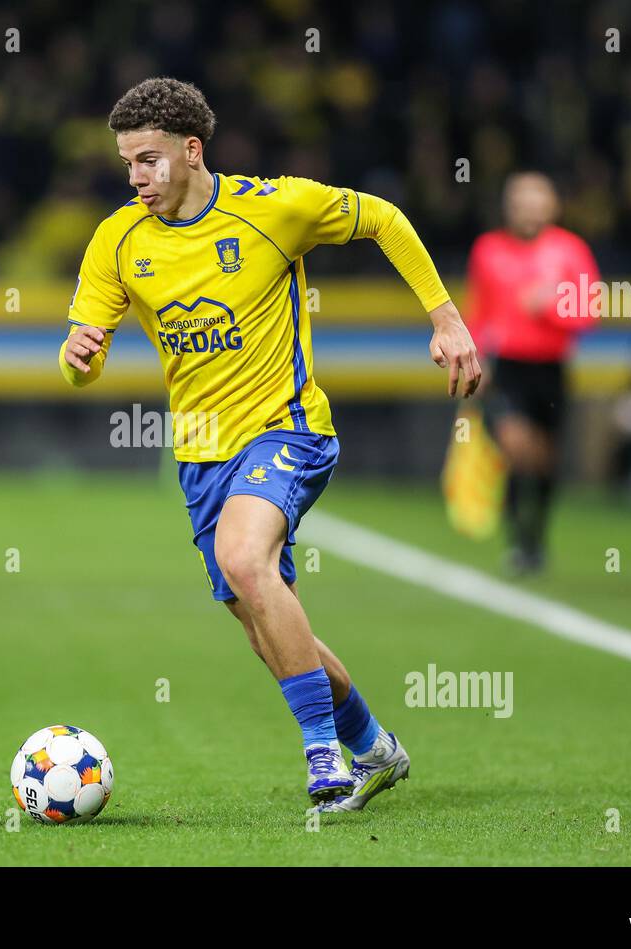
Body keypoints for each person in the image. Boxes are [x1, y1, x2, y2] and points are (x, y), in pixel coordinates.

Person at [59, 78, 480, 811]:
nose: (136, 178)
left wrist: (446, 318)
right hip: (199, 453)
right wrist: (79, 353)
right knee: (265, 620)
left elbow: (382, 218)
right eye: (128, 162)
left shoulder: (272, 208)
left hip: (287, 428)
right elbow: (81, 366)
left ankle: (323, 758)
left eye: (149, 160)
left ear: (192, 152)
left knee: (243, 559)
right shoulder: (117, 239)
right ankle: (374, 746)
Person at [466, 173, 600, 574]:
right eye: (521, 200)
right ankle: (517, 537)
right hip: (507, 368)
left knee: (543, 460)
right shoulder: (488, 250)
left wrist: (551, 305)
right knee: (515, 445)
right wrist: (475, 357)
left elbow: (589, 312)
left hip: (550, 368)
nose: (528, 207)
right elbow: (479, 310)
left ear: (552, 206)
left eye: (537, 199)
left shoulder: (570, 250)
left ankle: (533, 538)